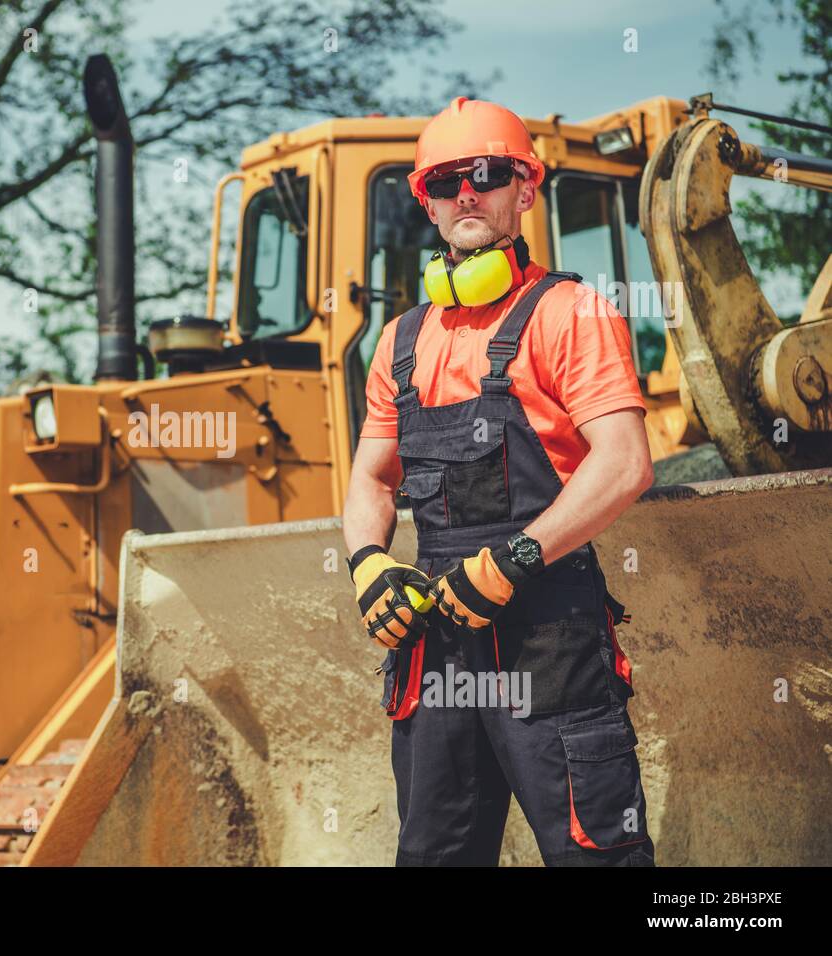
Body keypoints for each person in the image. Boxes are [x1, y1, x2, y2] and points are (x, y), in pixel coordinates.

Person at [341, 96, 656, 866]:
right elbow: (372, 480)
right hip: (436, 647)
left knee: (595, 854)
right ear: (429, 203)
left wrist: (516, 558)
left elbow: (624, 462)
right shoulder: (400, 342)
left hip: (549, 640)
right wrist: (369, 563)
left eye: (486, 173)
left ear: (525, 188)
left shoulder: (571, 312)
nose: (467, 193)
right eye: (446, 182)